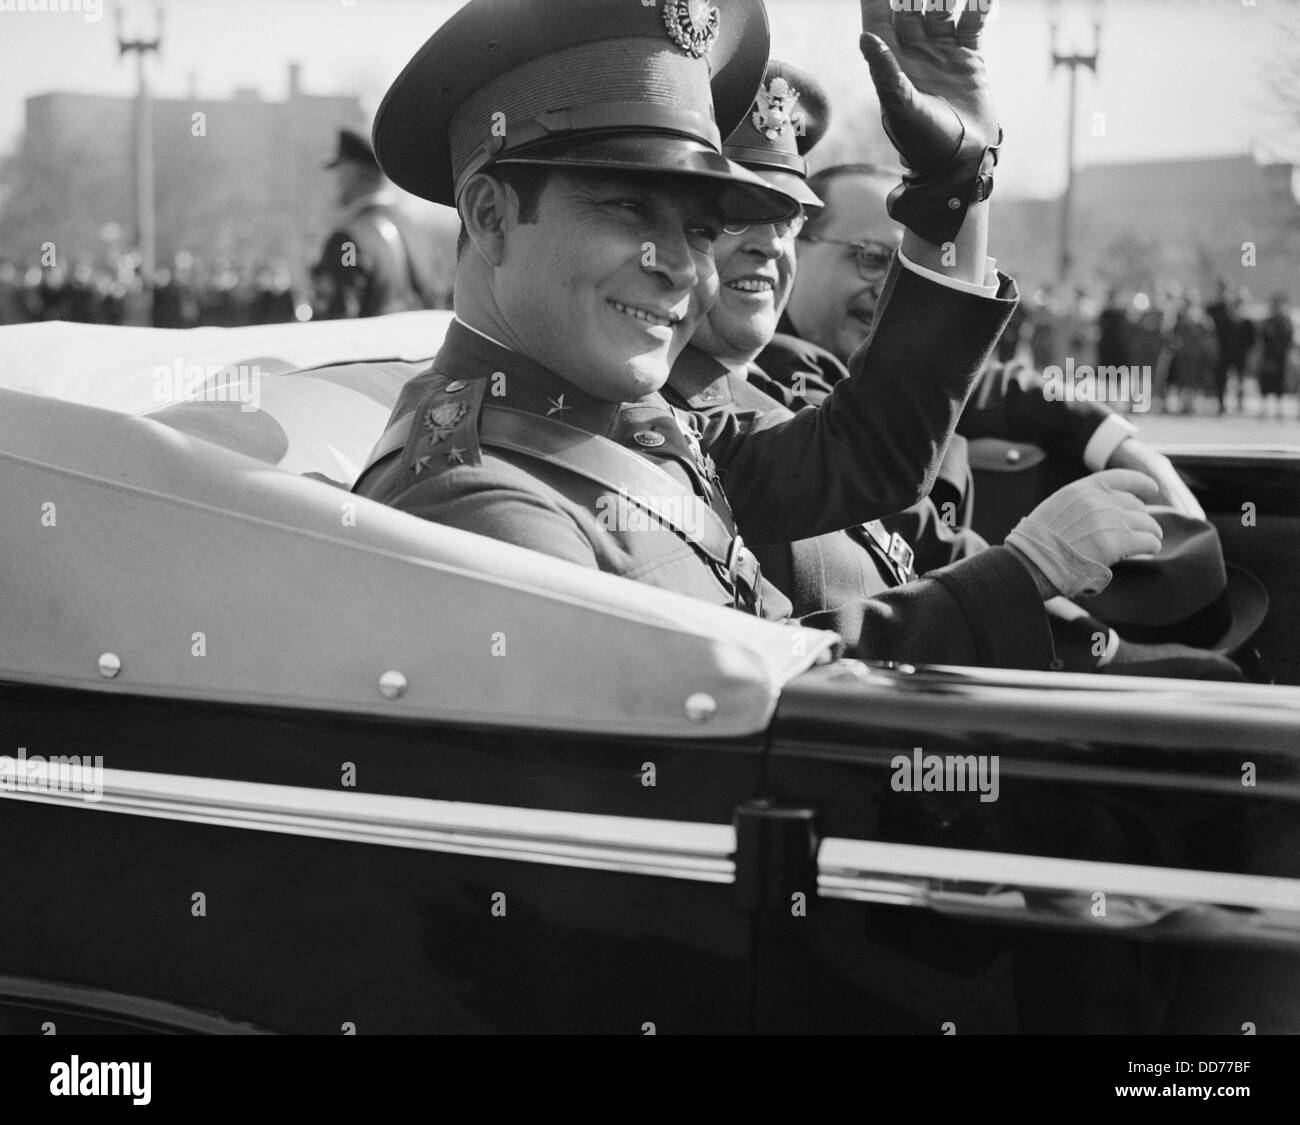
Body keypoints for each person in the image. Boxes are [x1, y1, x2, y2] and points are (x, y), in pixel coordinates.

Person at [354, 0, 1163, 659]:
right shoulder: (473, 499)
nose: (681, 266)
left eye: (702, 230)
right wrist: (1020, 577)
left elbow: (865, 455)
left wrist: (955, 184)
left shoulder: (619, 415)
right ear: (491, 216)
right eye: (630, 207)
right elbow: (722, 737)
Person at [661, 60, 1242, 680]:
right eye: (725, 217)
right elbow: (778, 675)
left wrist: (961, 168)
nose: (768, 244)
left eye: (785, 218)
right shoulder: (676, 420)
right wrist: (1027, 570)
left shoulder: (774, 382)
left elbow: (947, 402)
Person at [761, 163, 1204, 520]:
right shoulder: (763, 374)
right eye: (873, 259)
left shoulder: (891, 364)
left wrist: (1118, 443)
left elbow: (988, 385)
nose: (896, 294)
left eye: (906, 272)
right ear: (794, 247)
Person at [312, 128, 436, 319]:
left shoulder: (347, 242)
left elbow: (337, 317)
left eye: (338, 171)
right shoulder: (416, 231)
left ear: (350, 172)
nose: (335, 181)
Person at [1258, 292, 1293, 421]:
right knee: (1265, 383)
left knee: (1280, 383)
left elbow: (1288, 340)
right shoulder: (1268, 322)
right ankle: (1264, 409)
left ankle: (1279, 410)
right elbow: (1262, 340)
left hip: (1281, 358)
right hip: (1268, 357)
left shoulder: (1286, 322)